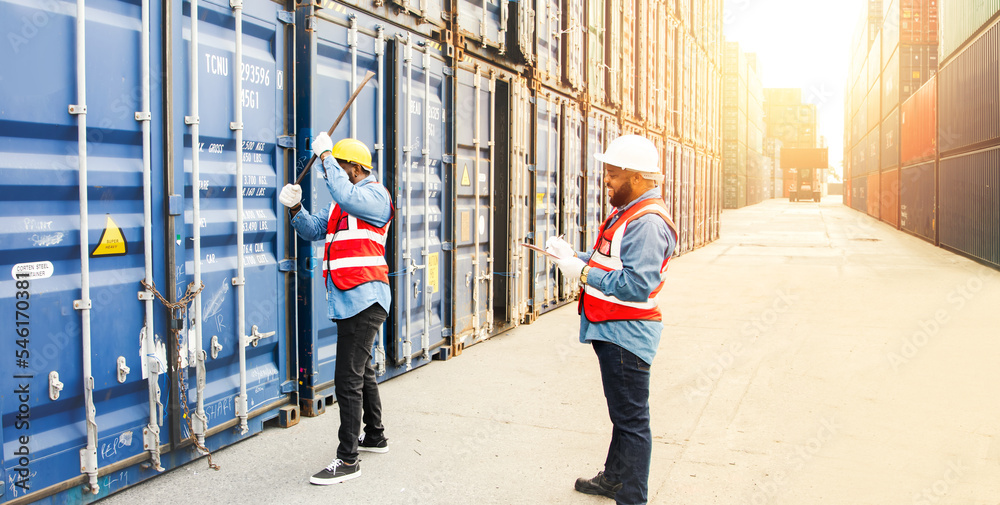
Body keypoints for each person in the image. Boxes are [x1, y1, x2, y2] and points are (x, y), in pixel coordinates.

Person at [545, 135, 677, 505]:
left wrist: (581, 273)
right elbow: (610, 260)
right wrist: (574, 256)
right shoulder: (629, 213)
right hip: (612, 328)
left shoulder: (646, 222)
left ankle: (631, 497)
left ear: (636, 177)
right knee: (623, 416)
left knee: (632, 421)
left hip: (626, 332)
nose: (606, 181)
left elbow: (637, 284)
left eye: (612, 174)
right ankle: (614, 478)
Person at [278, 132, 393, 485]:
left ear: (355, 170)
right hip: (348, 298)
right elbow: (314, 230)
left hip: (365, 297)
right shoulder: (342, 205)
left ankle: (347, 460)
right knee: (362, 371)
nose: (334, 177)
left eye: (340, 169)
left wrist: (326, 155)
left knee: (347, 378)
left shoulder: (375, 197)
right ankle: (374, 435)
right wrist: (296, 209)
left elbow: (343, 192)